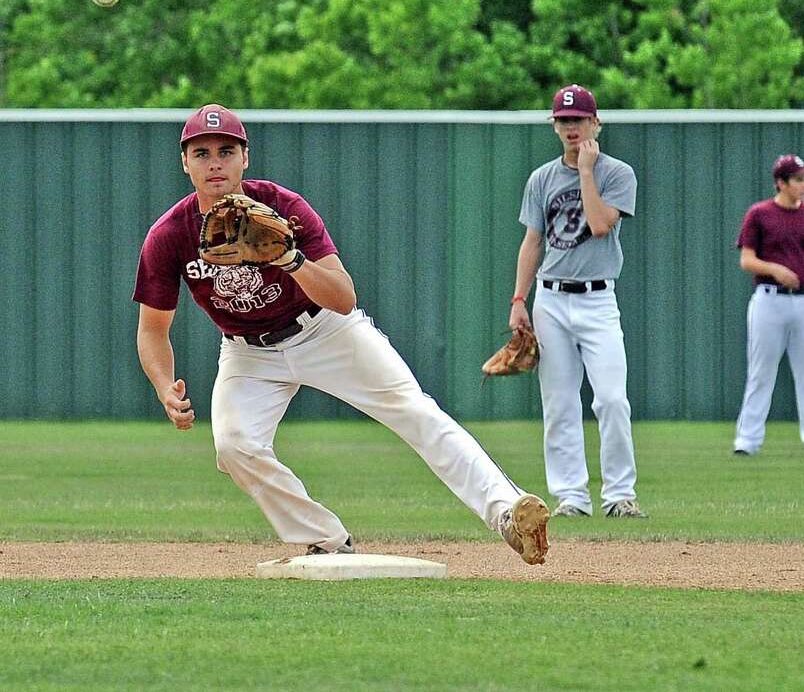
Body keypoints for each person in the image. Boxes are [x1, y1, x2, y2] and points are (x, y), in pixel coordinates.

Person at [134, 104, 550, 564]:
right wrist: (162, 386)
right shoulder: (169, 235)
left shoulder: (284, 209)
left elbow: (343, 297)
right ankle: (325, 537)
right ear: (185, 162)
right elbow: (154, 329)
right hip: (248, 353)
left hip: (326, 331)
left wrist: (289, 260)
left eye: (226, 151)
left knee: (414, 411)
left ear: (245, 158)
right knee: (234, 446)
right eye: (202, 152)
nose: (215, 162)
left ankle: (507, 513)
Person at [507, 84, 645, 519]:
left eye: (579, 120)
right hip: (551, 298)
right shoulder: (541, 178)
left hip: (598, 299)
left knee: (611, 399)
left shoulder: (617, 173)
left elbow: (602, 225)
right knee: (560, 401)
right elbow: (533, 241)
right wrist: (518, 298)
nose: (571, 127)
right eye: (563, 120)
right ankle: (571, 496)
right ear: (555, 125)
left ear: (595, 122)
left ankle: (620, 495)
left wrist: (586, 172)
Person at [732, 154, 804, 457]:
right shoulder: (760, 214)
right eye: (798, 179)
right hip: (769, 299)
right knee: (761, 372)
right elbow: (746, 260)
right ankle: (746, 443)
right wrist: (775, 269)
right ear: (781, 182)